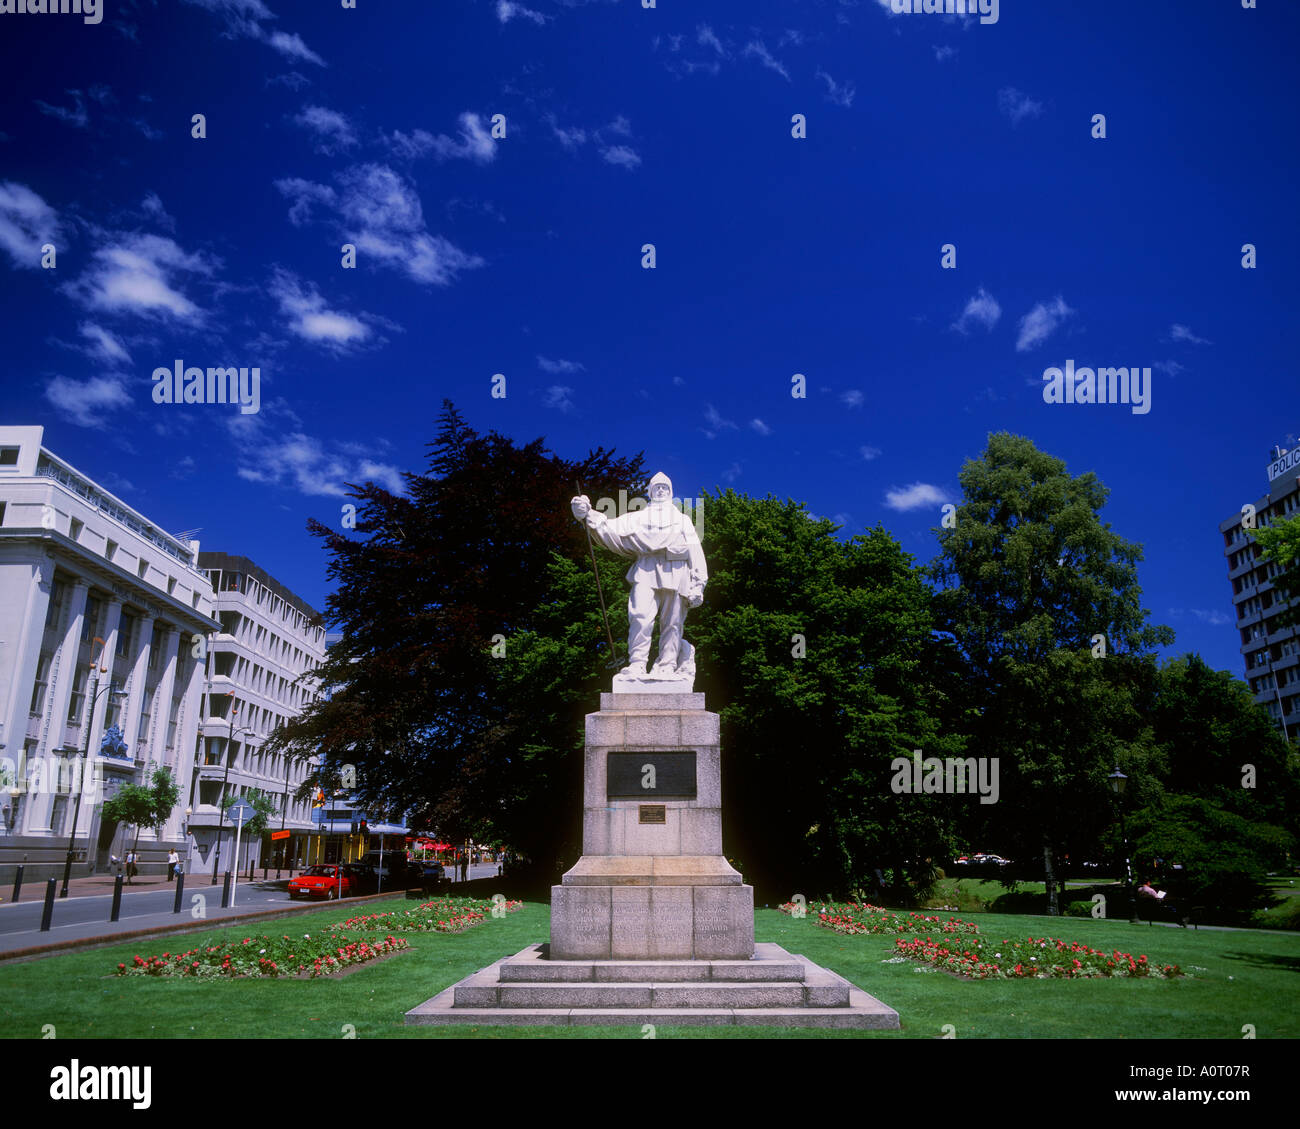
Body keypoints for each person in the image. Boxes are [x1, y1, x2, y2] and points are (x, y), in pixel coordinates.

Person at [570, 471, 707, 681]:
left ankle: (667, 665)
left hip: (677, 571)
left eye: (665, 487)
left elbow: (695, 551)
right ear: (650, 492)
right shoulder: (638, 517)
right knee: (640, 617)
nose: (661, 490)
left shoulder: (682, 520)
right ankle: (637, 664)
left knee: (672, 623)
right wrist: (587, 514)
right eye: (656, 487)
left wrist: (699, 584)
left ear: (670, 492)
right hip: (646, 570)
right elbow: (610, 528)